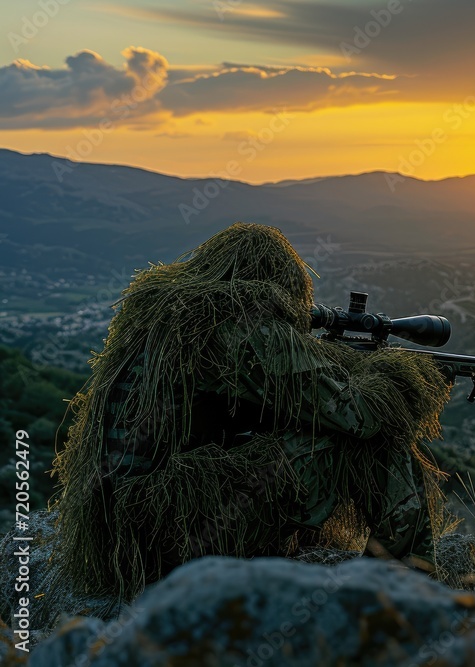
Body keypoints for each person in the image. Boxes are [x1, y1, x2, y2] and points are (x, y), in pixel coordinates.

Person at [53, 222, 452, 601]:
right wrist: (399, 372)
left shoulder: (172, 316)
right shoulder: (242, 325)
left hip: (132, 533)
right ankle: (401, 586)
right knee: (380, 440)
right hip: (172, 536)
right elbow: (360, 416)